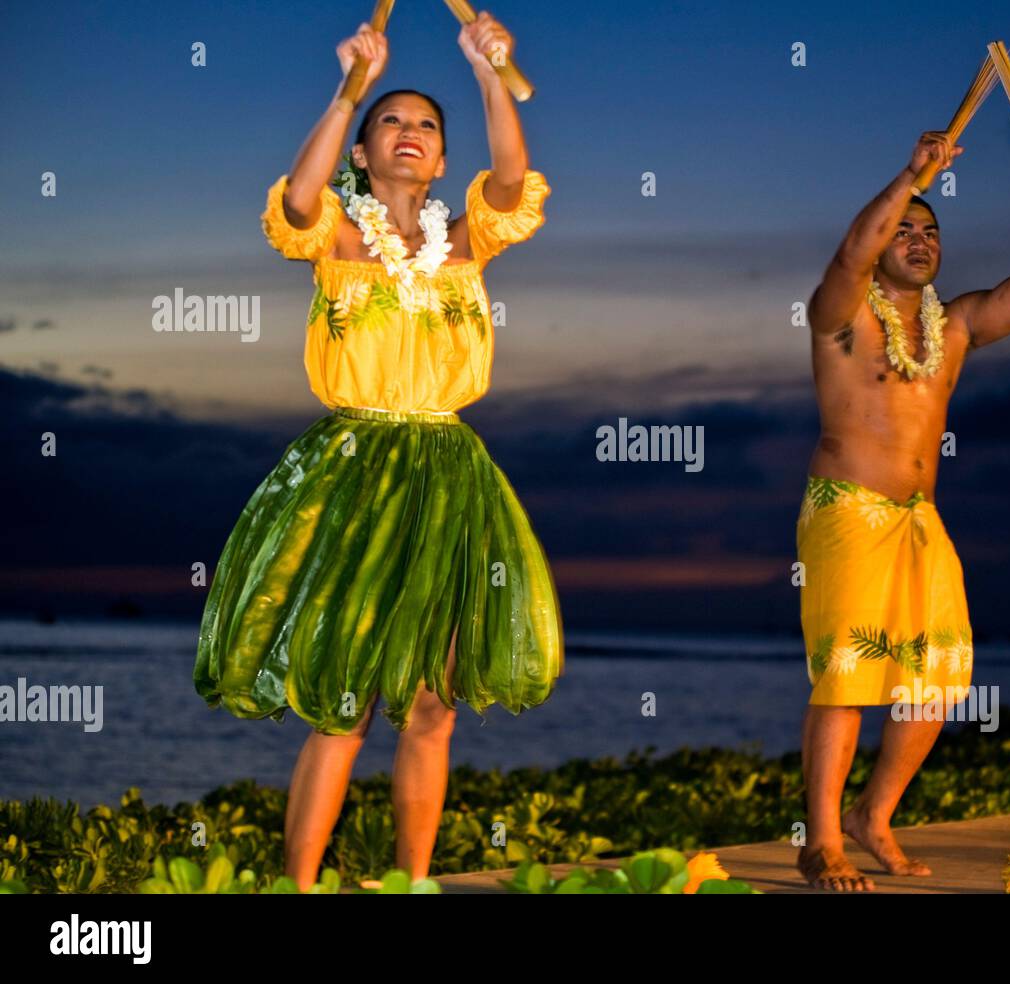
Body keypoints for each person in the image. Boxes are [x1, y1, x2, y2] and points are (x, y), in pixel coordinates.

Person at [193, 13, 562, 891]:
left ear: (439, 162)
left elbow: (511, 180)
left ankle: (412, 883)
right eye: (390, 123)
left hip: (448, 473)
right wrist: (349, 88)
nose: (410, 135)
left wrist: (485, 68)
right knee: (345, 703)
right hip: (354, 470)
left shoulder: (463, 249)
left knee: (431, 706)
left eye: (426, 128)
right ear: (364, 152)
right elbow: (296, 202)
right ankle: (300, 885)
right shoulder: (341, 242)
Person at [796, 130, 1010, 891]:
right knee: (849, 678)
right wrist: (913, 176)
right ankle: (822, 841)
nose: (918, 241)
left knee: (936, 681)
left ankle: (871, 816)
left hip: (921, 519)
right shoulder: (839, 316)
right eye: (904, 230)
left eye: (931, 232)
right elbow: (852, 254)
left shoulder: (951, 328)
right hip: (847, 510)